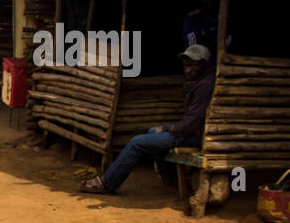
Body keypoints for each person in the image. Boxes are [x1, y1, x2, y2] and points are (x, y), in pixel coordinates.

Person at [79, 45, 216, 195]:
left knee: (136, 143)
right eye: (186, 66)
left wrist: (168, 128)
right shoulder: (201, 82)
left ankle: (107, 183)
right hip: (191, 132)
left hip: (192, 137)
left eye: (193, 66)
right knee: (152, 131)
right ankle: (169, 177)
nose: (188, 70)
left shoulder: (204, 86)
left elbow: (189, 125)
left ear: (205, 64)